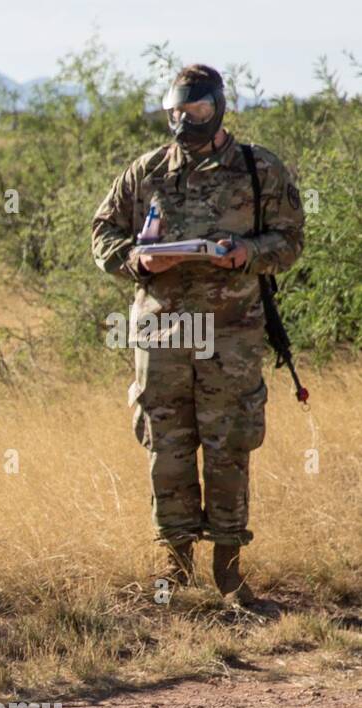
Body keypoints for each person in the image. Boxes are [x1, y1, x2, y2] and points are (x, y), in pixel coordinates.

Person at [91, 64, 305, 604]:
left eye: (198, 111)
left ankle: (228, 565)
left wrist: (246, 254)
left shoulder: (259, 169)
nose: (186, 122)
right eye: (177, 112)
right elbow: (104, 232)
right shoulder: (146, 172)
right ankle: (175, 560)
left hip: (232, 335)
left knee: (230, 442)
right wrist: (137, 260)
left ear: (219, 108)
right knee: (167, 444)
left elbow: (290, 239)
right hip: (161, 333)